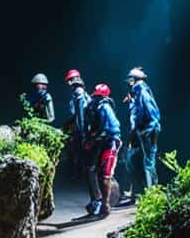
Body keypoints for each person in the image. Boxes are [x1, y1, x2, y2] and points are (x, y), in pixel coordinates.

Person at [82, 83, 123, 217]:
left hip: (110, 143)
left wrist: (94, 138)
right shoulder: (94, 106)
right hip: (101, 142)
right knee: (99, 174)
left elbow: (113, 129)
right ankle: (101, 202)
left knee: (105, 175)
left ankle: (105, 205)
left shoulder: (105, 107)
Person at [124, 67, 161, 195]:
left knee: (148, 162)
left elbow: (154, 114)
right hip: (140, 130)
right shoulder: (137, 92)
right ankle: (138, 190)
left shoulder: (143, 91)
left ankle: (152, 194)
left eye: (130, 79)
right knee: (133, 158)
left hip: (148, 130)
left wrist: (147, 130)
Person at [61, 69, 88, 180]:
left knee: (79, 152)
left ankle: (78, 175)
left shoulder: (79, 93)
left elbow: (80, 115)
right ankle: (77, 174)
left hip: (81, 129)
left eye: (69, 80)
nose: (68, 84)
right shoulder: (79, 93)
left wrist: (82, 132)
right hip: (78, 127)